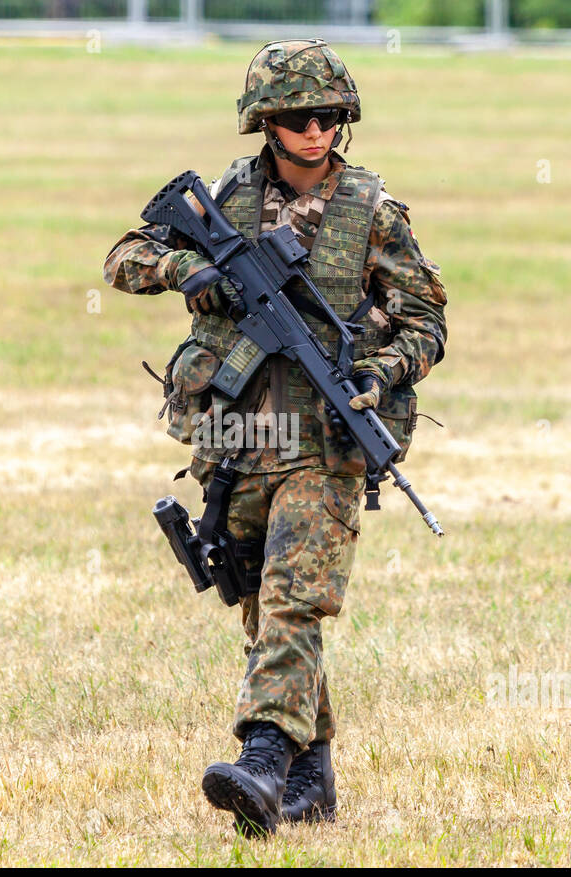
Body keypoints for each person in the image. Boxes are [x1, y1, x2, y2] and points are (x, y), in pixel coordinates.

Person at [102, 38, 447, 836]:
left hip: (326, 442)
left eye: (329, 116)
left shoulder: (371, 213)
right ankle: (313, 780)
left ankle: (261, 763)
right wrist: (185, 273)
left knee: (296, 601)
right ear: (266, 122)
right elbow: (124, 256)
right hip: (237, 440)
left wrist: (383, 371)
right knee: (262, 610)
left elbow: (428, 321)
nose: (315, 130)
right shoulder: (225, 201)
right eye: (297, 117)